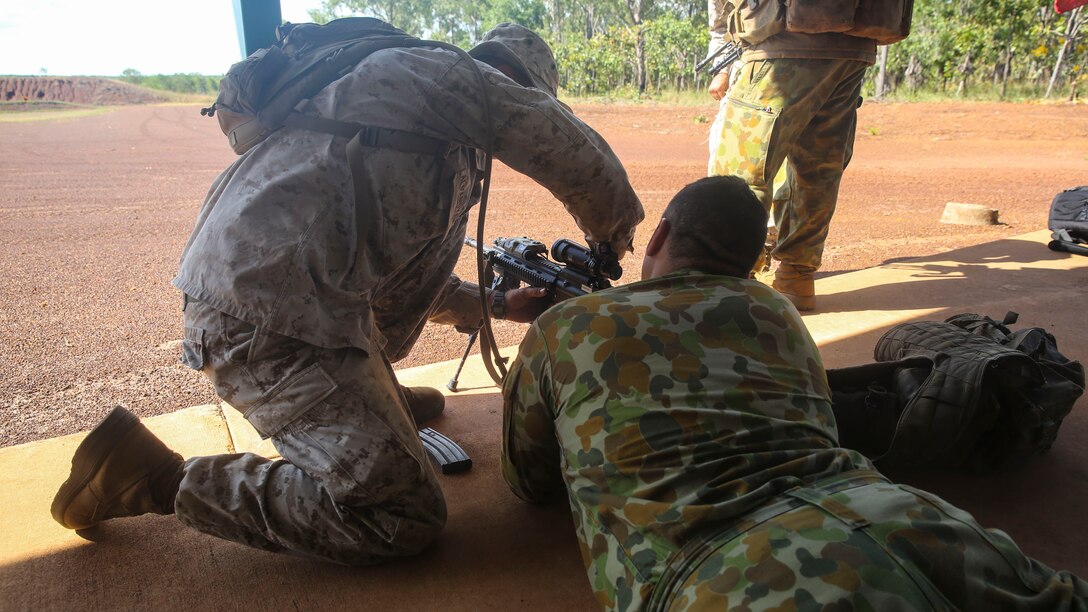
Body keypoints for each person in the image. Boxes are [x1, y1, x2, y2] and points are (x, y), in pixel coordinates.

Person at [51, 23, 644, 566]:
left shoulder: (426, 130)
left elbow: (408, 285)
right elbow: (572, 151)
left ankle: (370, 402)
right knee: (401, 516)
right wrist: (610, 243)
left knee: (410, 420)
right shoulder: (448, 78)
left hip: (286, 302)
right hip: (266, 322)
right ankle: (153, 478)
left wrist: (499, 305)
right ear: (507, 78)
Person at [501, 176, 1087, 611]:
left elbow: (529, 482)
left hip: (730, 575)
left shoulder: (568, 325)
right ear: (752, 259)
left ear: (660, 234)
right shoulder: (775, 309)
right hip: (904, 518)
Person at [705, 0, 899, 310]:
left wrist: (726, 53)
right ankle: (796, 277)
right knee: (818, 168)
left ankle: (731, 279)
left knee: (742, 171)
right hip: (854, 44)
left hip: (783, 44)